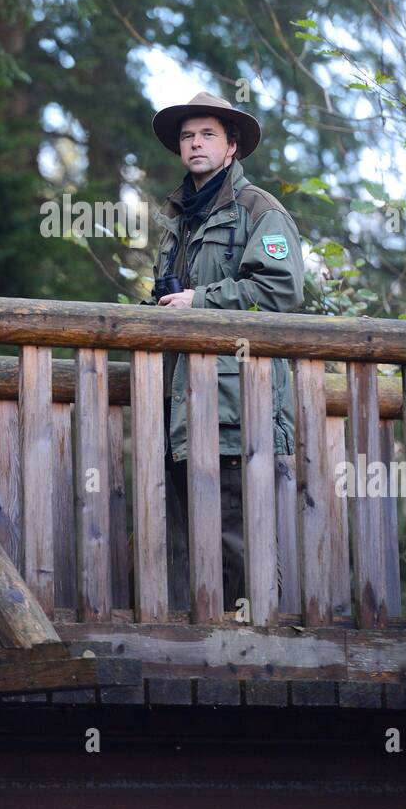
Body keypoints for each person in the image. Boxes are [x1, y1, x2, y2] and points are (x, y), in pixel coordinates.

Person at [150, 90, 304, 611]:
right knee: (187, 540)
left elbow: (279, 292)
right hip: (179, 411)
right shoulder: (178, 222)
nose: (195, 143)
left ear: (232, 146)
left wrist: (200, 300)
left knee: (238, 537)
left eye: (207, 134)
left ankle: (258, 654)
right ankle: (200, 653)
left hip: (239, 409)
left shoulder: (259, 210)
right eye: (188, 136)